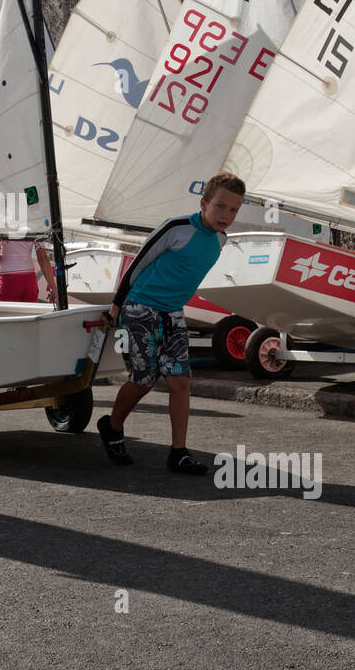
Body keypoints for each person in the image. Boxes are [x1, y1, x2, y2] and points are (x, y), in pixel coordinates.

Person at [98, 173, 245, 476]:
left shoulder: (221, 239)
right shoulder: (176, 227)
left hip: (173, 311)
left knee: (180, 381)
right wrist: (117, 304)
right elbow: (138, 262)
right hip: (140, 306)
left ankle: (178, 453)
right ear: (204, 203)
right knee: (144, 378)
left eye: (234, 210)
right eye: (220, 206)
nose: (226, 216)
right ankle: (112, 427)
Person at [0, 238, 56, 303]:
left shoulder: (0, 226)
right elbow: (43, 258)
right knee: (30, 314)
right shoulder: (35, 226)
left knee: (7, 313)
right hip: (29, 280)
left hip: (9, 280)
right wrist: (53, 287)